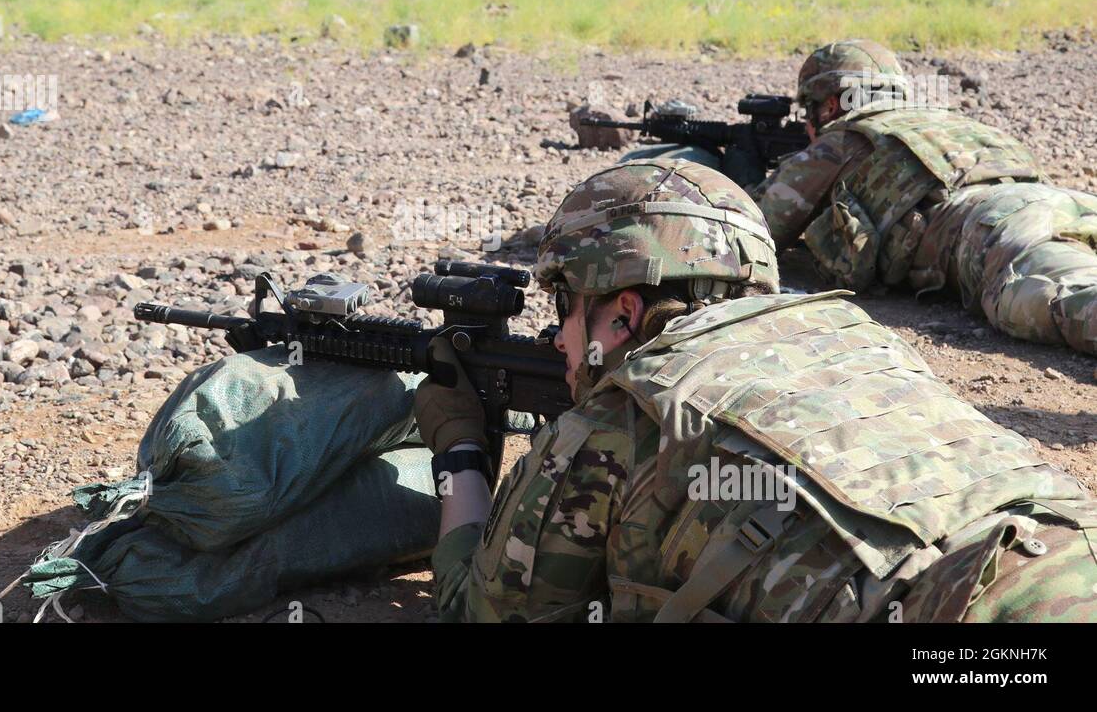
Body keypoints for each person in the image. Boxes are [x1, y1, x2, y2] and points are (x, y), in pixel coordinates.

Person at [413, 158, 1097, 622]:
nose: (558, 339)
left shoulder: (616, 422)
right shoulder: (856, 336)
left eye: (564, 304)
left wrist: (461, 448)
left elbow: (481, 609)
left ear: (622, 313)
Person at [754, 39, 1097, 356]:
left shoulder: (844, 140)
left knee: (1071, 303)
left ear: (828, 106)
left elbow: (754, 228)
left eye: (806, 115)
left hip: (997, 228)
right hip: (1070, 204)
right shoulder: (950, 123)